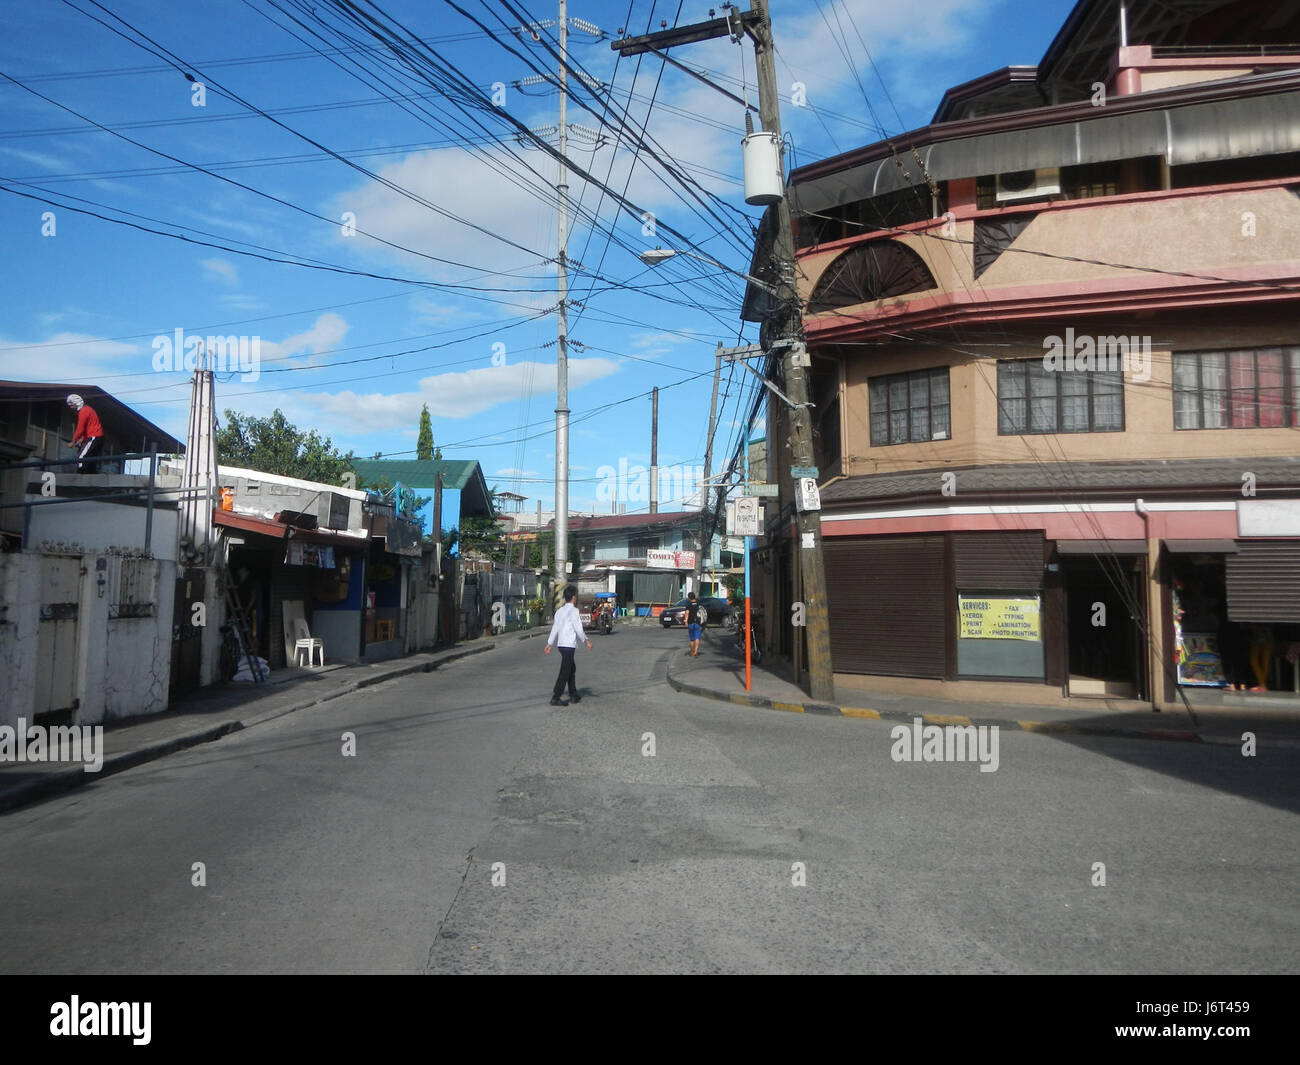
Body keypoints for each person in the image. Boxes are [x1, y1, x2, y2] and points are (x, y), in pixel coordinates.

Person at [544, 584, 592, 706]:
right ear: (574, 597)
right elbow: (578, 628)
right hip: (569, 645)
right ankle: (556, 697)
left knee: (571, 668)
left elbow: (555, 628)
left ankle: (573, 694)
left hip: (561, 644)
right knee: (565, 671)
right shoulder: (574, 611)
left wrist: (550, 643)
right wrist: (586, 641)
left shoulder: (559, 611)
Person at [66, 394, 104, 472]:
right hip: (97, 437)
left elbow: (80, 428)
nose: (71, 407)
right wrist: (82, 438)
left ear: (76, 403)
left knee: (81, 458)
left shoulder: (83, 411)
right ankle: (91, 476)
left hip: (94, 437)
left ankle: (80, 476)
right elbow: (88, 426)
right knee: (90, 459)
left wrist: (73, 441)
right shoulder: (88, 409)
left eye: (71, 405)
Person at [685, 591, 704, 658]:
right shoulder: (699, 603)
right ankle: (696, 652)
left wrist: (686, 621)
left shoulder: (688, 604)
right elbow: (702, 612)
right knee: (697, 638)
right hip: (698, 623)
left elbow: (687, 613)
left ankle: (692, 652)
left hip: (691, 623)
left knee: (692, 639)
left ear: (689, 598)